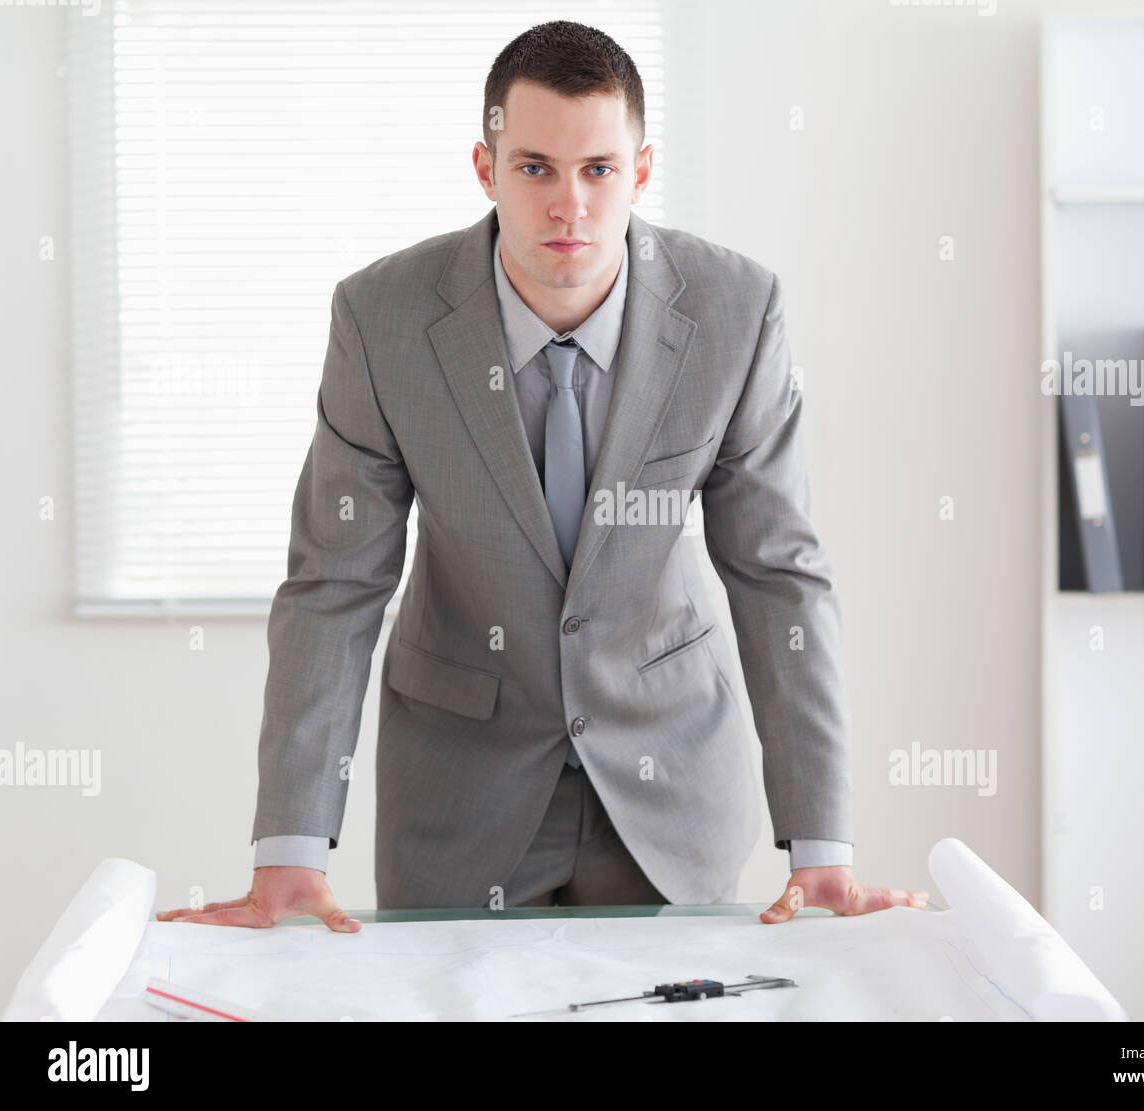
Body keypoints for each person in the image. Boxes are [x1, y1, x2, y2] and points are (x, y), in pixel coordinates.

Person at [157, 20, 927, 932]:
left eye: (599, 170)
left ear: (641, 172)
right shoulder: (381, 319)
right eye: (535, 169)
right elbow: (334, 582)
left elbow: (778, 574)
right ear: (486, 169)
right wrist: (288, 848)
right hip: (459, 789)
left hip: (669, 778)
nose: (570, 206)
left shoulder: (735, 312)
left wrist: (822, 848)